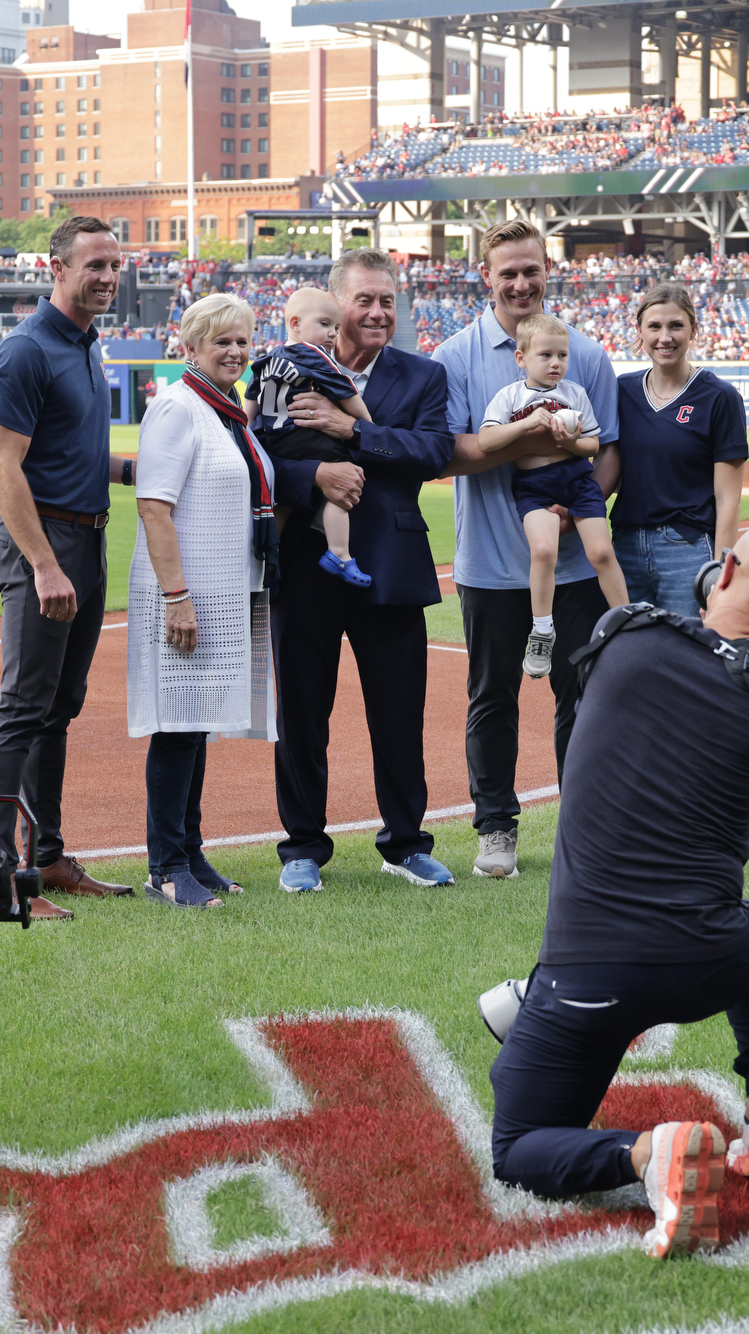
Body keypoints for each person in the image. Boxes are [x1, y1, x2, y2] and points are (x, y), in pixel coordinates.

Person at [488, 522, 749, 1257]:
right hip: (711, 961)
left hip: (589, 973)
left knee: (517, 1146)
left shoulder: (627, 636)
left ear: (728, 569)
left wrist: (713, 595)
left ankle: (648, 1156)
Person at [264, 248, 458, 893]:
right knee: (302, 712)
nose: (377, 313)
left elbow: (431, 452)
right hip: (303, 565)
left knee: (399, 714)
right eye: (364, 300)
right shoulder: (286, 367)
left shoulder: (423, 375)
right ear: (333, 305)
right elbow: (257, 460)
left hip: (392, 564)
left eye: (387, 301)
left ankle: (406, 844)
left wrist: (350, 433)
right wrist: (314, 473)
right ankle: (302, 849)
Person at [434, 219, 622, 879]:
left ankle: (584, 827)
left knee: (582, 697)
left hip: (570, 564)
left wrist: (573, 505)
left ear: (548, 271)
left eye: (530, 270)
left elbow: (609, 451)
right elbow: (453, 453)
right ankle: (496, 831)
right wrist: (532, 433)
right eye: (507, 272)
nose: (519, 283)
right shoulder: (456, 356)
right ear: (486, 277)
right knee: (492, 698)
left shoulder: (585, 354)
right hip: (489, 563)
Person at [0, 215, 141, 920]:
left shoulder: (84, 345)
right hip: (45, 548)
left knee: (57, 710)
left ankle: (45, 858)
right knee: (22, 707)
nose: (107, 277)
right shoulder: (27, 350)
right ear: (57, 267)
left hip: (89, 542)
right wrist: (44, 564)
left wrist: (137, 469)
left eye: (114, 265)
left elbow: (68, 454)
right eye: (94, 265)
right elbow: (2, 465)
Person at [127, 292, 280, 907]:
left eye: (243, 340)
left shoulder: (225, 413)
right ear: (189, 347)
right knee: (178, 727)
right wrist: (177, 597)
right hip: (188, 592)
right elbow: (154, 507)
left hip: (227, 589)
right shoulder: (178, 408)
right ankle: (165, 867)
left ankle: (189, 853)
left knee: (197, 729)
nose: (236, 351)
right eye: (222, 341)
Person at [473, 313, 628, 678]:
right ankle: (542, 629)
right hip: (535, 484)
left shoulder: (575, 393)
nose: (555, 363)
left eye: (562, 355)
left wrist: (571, 442)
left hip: (578, 480)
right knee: (543, 551)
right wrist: (526, 424)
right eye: (545, 355)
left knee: (602, 552)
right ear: (521, 358)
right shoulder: (509, 396)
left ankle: (626, 623)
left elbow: (593, 443)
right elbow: (485, 440)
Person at [596, 284, 748, 616]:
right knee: (631, 654)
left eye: (676, 326)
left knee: (686, 658)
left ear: (694, 329)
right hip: (625, 546)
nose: (665, 336)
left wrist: (720, 574)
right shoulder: (622, 391)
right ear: (639, 331)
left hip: (687, 550)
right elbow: (610, 467)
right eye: (654, 326)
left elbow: (728, 499)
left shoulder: (720, 397)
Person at [246, 287, 377, 588]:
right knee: (342, 480)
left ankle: (267, 553)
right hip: (301, 434)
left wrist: (246, 427)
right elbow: (347, 390)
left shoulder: (265, 360)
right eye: (324, 324)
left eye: (335, 327)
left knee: (282, 501)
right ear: (295, 324)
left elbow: (250, 404)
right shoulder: (316, 355)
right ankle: (339, 552)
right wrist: (367, 423)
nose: (332, 334)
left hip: (274, 440)